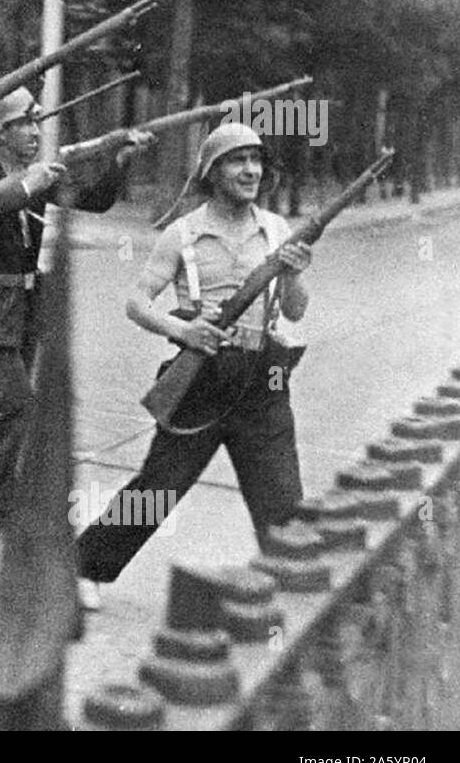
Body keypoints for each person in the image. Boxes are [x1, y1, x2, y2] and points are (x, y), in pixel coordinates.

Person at [76, 123, 311, 609]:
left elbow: (295, 310)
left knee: (282, 496)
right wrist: (182, 331)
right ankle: (84, 570)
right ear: (211, 170)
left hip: (262, 377)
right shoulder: (182, 234)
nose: (250, 170)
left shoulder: (275, 230)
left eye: (256, 160)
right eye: (236, 160)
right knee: (159, 488)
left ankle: (296, 591)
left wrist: (292, 274)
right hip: (202, 376)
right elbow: (137, 303)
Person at [0, 87, 152, 534]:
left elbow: (91, 199)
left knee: (5, 400)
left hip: (24, 301)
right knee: (15, 398)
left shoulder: (34, 172)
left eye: (34, 123)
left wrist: (117, 162)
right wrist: (29, 183)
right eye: (22, 124)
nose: (32, 133)